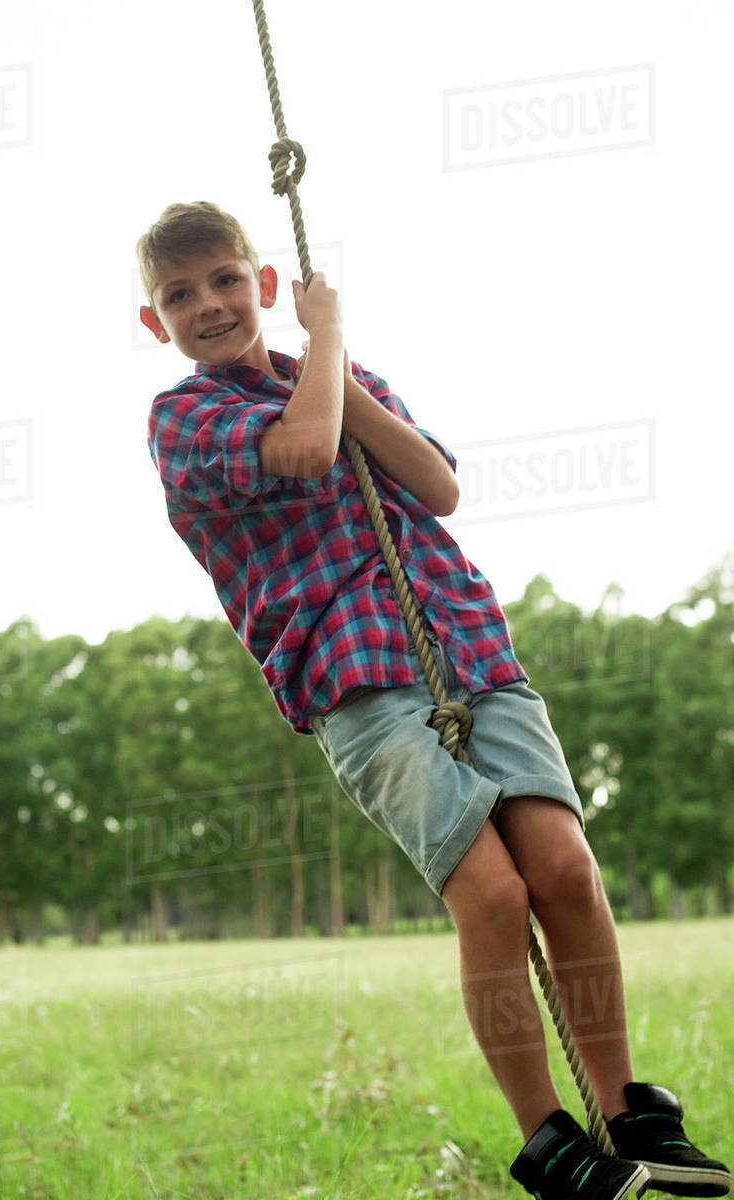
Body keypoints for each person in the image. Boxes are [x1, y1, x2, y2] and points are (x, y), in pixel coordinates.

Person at [137, 200, 730, 1200]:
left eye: (227, 279)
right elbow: (307, 452)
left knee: (566, 871)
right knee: (492, 894)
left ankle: (627, 1111)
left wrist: (328, 357)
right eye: (180, 295)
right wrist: (323, 343)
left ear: (264, 283)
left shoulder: (334, 379)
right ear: (155, 323)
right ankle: (549, 1138)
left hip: (470, 646)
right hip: (357, 678)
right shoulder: (183, 419)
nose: (210, 305)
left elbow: (438, 484)